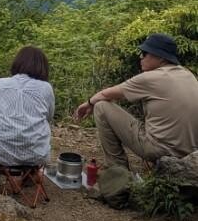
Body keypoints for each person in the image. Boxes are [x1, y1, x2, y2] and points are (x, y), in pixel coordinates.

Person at [73, 33, 198, 168]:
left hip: (159, 150)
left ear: (161, 57)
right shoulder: (188, 75)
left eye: (145, 53)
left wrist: (89, 103)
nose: (141, 57)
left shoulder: (151, 78)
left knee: (101, 107)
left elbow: (106, 94)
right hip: (190, 153)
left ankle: (118, 171)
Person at [0, 45, 55, 168]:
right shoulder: (46, 88)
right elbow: (49, 118)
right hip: (37, 155)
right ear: (42, 67)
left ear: (18, 62)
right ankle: (30, 173)